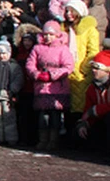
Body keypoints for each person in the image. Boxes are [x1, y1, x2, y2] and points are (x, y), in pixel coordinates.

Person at [25, 20, 74, 151]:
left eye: (51, 34)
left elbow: (68, 67)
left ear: (57, 35)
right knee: (42, 116)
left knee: (54, 116)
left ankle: (54, 141)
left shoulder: (63, 49)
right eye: (45, 34)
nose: (48, 37)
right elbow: (30, 64)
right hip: (41, 86)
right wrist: (36, 74)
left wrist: (52, 75)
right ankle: (43, 140)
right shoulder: (37, 48)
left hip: (57, 87)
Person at [62, 0, 99, 145]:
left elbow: (93, 51)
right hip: (65, 72)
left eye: (72, 11)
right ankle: (69, 139)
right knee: (67, 106)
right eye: (66, 11)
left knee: (81, 107)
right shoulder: (62, 28)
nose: (68, 14)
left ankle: (81, 140)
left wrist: (83, 69)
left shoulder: (89, 30)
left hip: (81, 73)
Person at [77, 50, 110, 158]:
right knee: (79, 133)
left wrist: (95, 110)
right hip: (101, 121)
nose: (93, 71)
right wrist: (84, 123)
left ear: (108, 70)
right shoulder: (92, 88)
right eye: (93, 68)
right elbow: (87, 109)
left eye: (97, 68)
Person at [0, 37, 23, 145]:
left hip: (8, 95)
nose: (1, 56)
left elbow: (18, 79)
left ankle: (11, 137)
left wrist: (13, 90)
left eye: (4, 53)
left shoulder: (14, 66)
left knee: (9, 117)